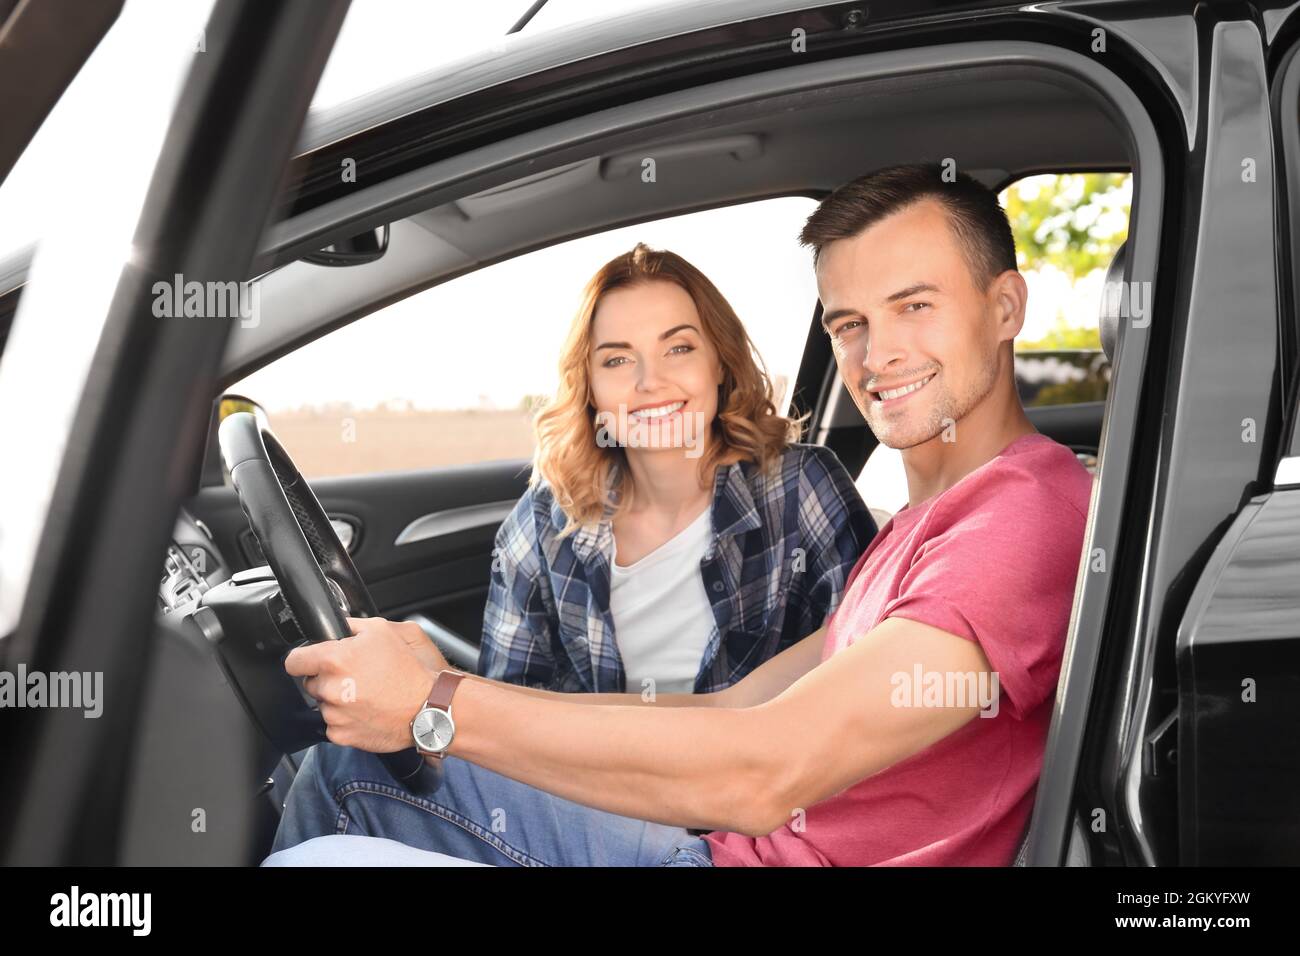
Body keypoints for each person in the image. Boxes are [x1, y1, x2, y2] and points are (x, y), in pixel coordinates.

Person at [264, 162, 1093, 867]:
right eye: (850, 323)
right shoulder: (925, 523)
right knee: (349, 765)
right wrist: (448, 692)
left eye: (916, 306)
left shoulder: (1018, 518)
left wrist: (435, 704)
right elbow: (735, 712)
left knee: (351, 780)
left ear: (1007, 307)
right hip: (716, 843)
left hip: (722, 845)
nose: (878, 356)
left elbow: (765, 769)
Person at [478, 243, 875, 697]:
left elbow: (866, 656)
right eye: (617, 359)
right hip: (588, 768)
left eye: (679, 348)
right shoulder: (543, 522)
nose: (650, 381)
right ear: (589, 387)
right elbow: (505, 709)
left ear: (720, 362)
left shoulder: (801, 485)